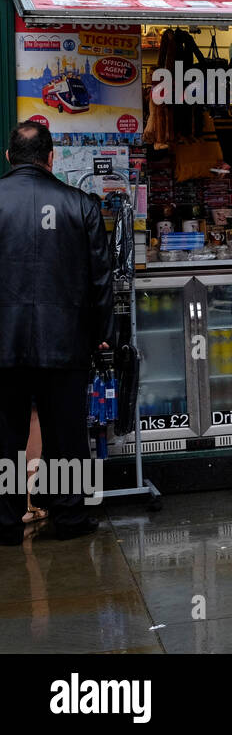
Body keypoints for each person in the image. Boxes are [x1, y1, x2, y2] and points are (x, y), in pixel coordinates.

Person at [0, 122, 113, 544]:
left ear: (9, 157)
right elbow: (100, 279)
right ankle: (68, 518)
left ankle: (5, 522)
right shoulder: (80, 205)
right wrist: (104, 332)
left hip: (3, 343)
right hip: (65, 340)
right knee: (66, 432)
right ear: (52, 159)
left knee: (5, 433)